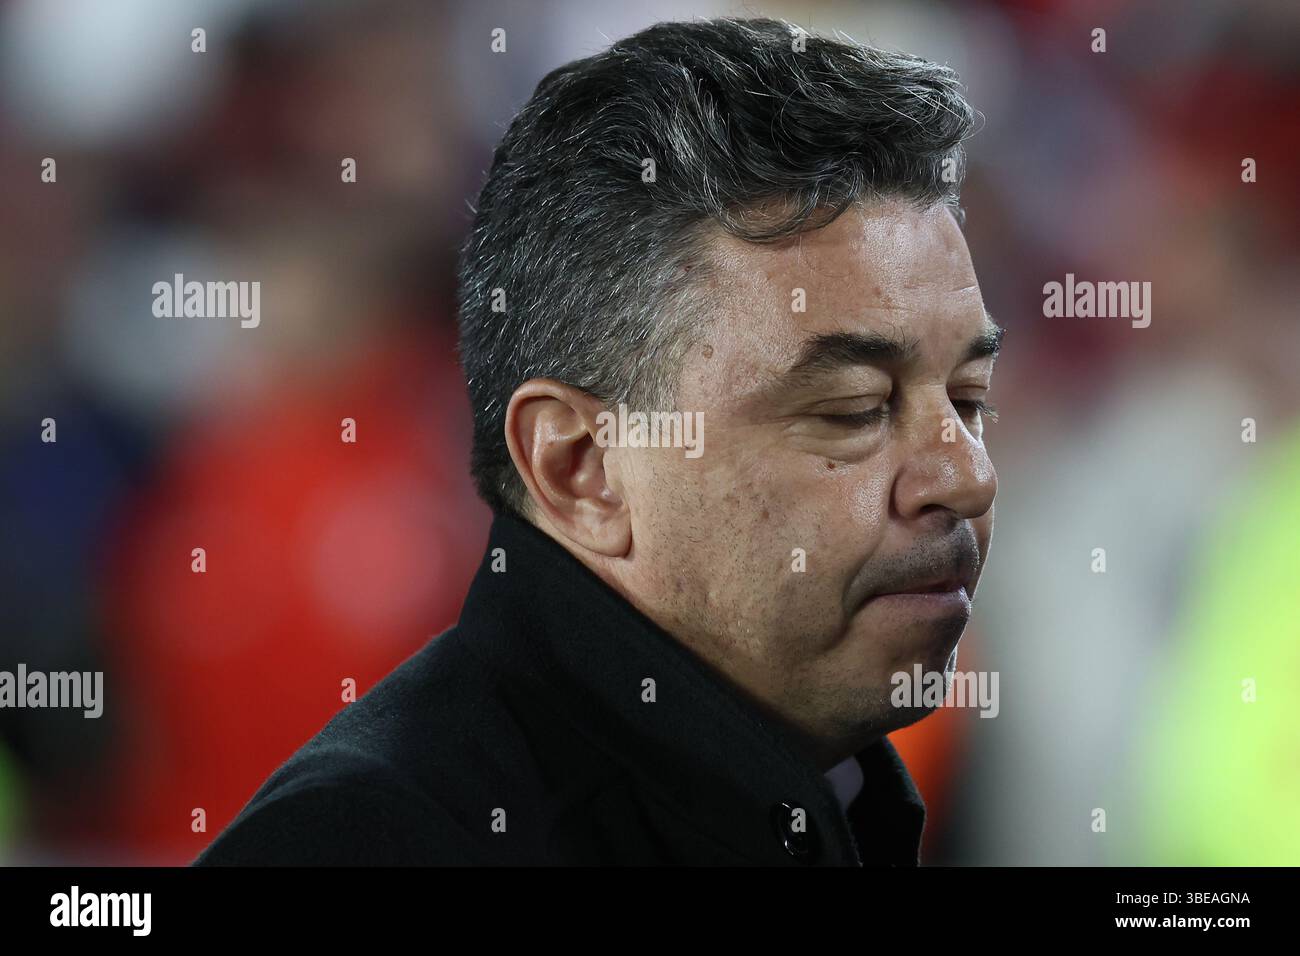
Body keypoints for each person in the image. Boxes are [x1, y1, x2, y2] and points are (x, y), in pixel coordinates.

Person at [194, 16, 1001, 867]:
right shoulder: (368, 848)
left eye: (969, 398)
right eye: (853, 409)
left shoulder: (833, 791)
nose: (966, 474)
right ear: (580, 468)